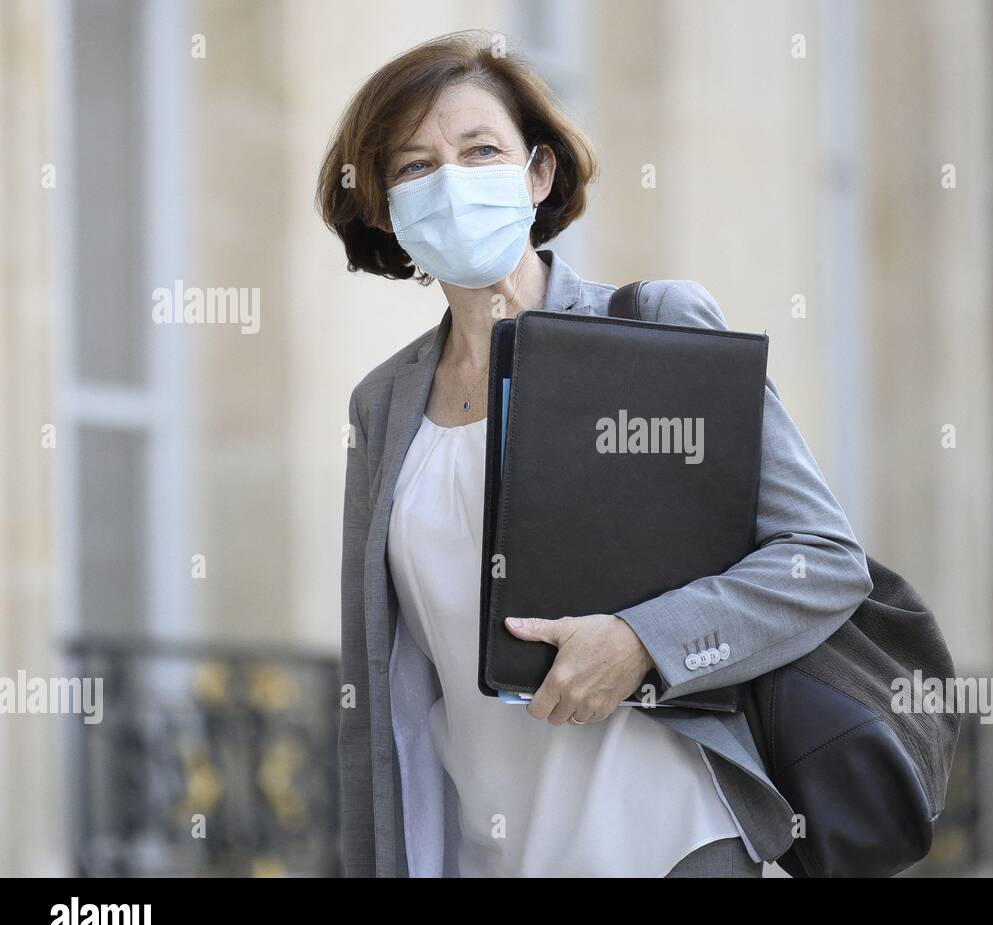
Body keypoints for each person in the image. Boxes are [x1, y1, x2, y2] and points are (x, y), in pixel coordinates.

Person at [317, 29, 870, 877]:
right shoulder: (383, 406)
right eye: (417, 166)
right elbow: (381, 692)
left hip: (668, 837)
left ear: (537, 175)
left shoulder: (653, 329)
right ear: (386, 207)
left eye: (480, 151)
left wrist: (642, 642)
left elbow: (824, 561)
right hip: (483, 852)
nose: (454, 183)